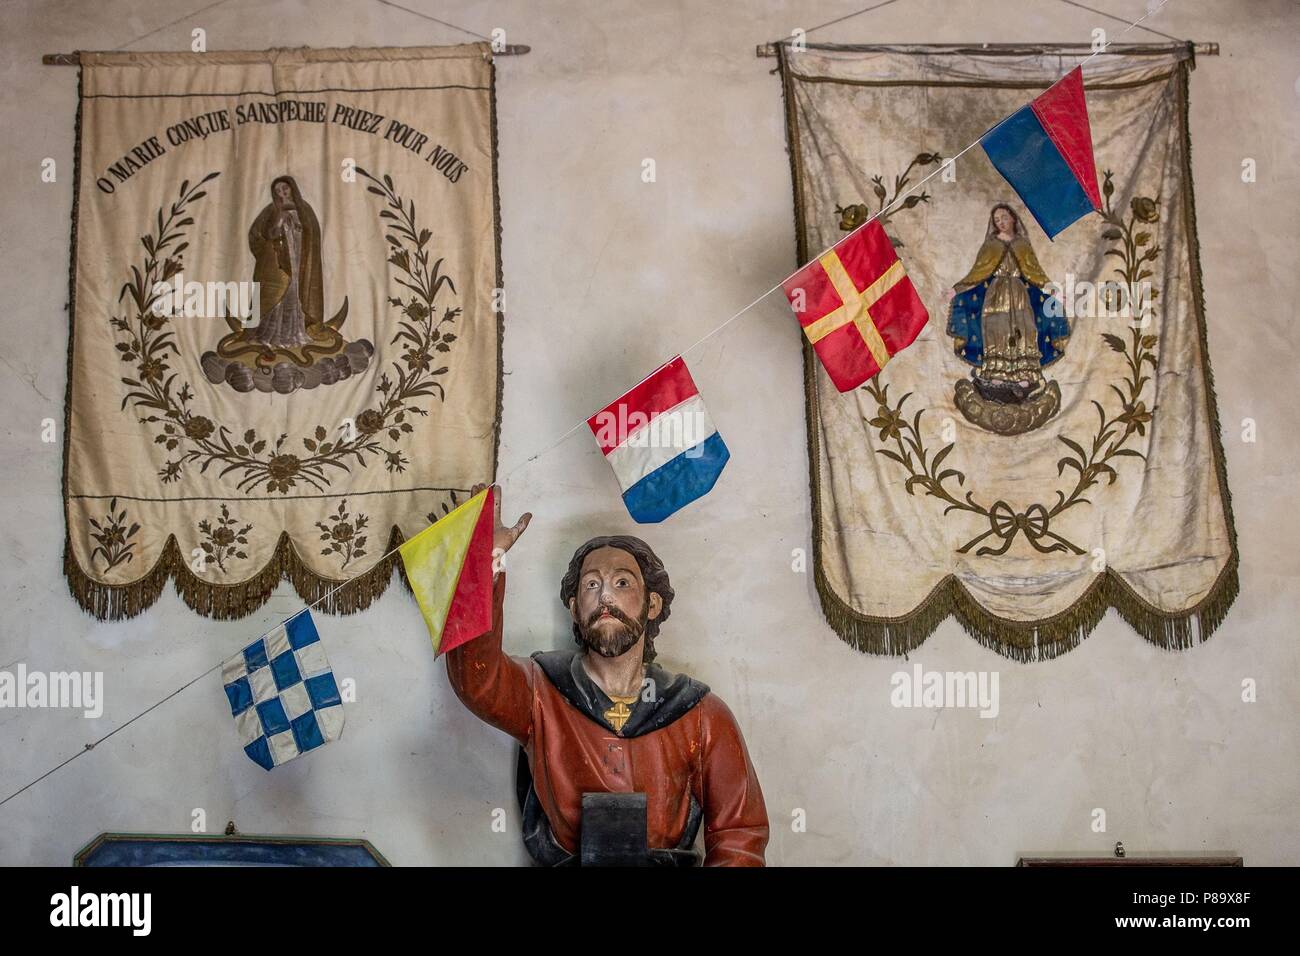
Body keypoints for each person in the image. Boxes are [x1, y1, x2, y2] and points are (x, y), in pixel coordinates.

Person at [445, 483, 769, 866]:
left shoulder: (700, 714)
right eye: (591, 585)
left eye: (622, 583)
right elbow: (477, 679)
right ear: (574, 608)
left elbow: (739, 834)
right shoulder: (540, 690)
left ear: (652, 604)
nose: (605, 598)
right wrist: (485, 563)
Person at [947, 203, 1069, 404]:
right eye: (996, 220)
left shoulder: (1022, 245)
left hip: (1019, 295)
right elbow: (978, 272)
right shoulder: (990, 245)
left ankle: (1024, 377)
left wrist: (1053, 291)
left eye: (1004, 217)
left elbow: (1035, 273)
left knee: (1025, 329)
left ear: (1013, 218)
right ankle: (997, 376)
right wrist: (957, 289)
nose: (1001, 222)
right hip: (995, 295)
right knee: (997, 330)